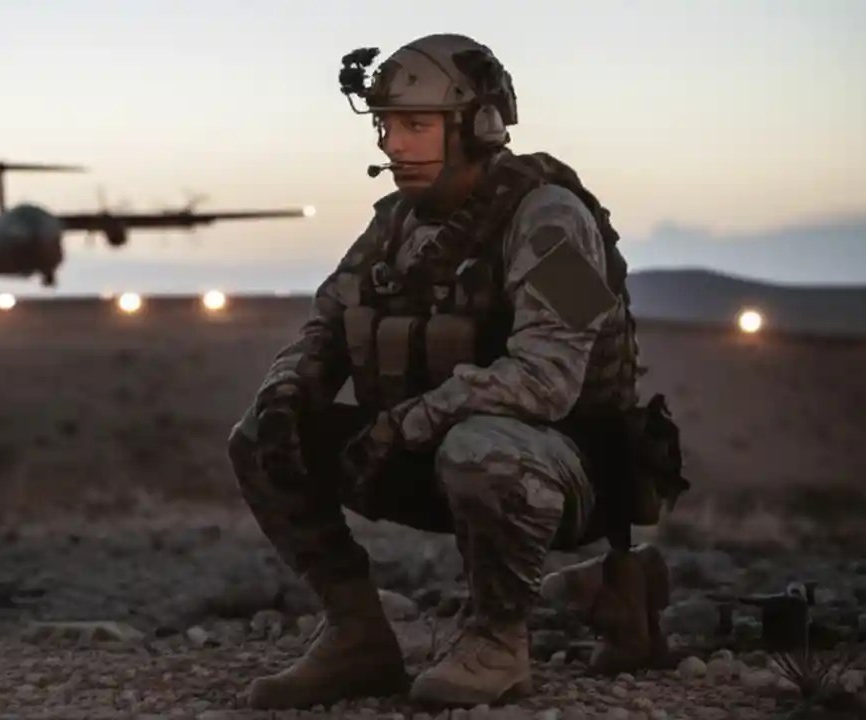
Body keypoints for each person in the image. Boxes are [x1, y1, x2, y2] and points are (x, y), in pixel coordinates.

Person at [227, 33, 689, 710]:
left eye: (416, 126)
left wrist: (412, 421)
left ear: (478, 126)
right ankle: (358, 635)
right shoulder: (395, 225)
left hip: (570, 466)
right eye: (387, 126)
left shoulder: (550, 220)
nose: (394, 146)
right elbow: (327, 325)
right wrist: (287, 389)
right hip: (429, 448)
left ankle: (499, 640)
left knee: (481, 448)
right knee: (258, 437)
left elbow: (549, 377)